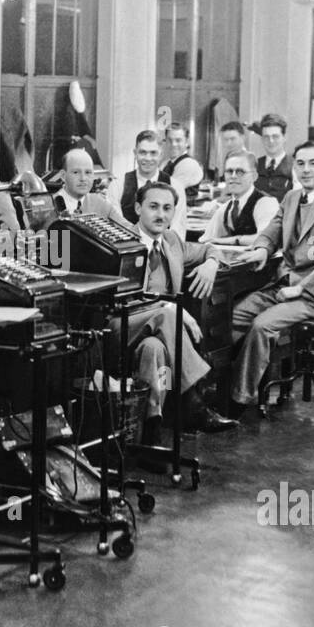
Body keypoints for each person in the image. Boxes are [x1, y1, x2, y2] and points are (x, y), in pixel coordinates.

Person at [227, 141, 314, 416]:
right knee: (232, 316)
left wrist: (301, 289)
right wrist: (262, 248)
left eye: (313, 163)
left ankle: (239, 399)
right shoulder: (291, 198)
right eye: (300, 163)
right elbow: (271, 231)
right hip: (283, 285)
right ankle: (219, 389)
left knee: (262, 326)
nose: (305, 170)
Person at [121, 182, 237, 451]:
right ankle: (194, 403)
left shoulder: (172, 241)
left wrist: (211, 264)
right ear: (138, 208)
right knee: (167, 314)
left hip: (156, 335)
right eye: (153, 207)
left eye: (167, 208)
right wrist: (173, 309)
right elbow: (124, 299)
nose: (160, 214)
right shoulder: (123, 241)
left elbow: (209, 249)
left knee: (154, 349)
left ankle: (151, 432)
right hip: (124, 325)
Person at [200, 151, 281, 259]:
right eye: (229, 171)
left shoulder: (266, 203)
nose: (233, 176)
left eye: (240, 172)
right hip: (236, 262)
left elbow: (265, 238)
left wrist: (231, 240)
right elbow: (206, 240)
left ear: (254, 176)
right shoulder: (225, 208)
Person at [110, 128, 186, 233]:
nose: (148, 158)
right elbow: (116, 227)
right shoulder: (117, 186)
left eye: (153, 153)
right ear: (135, 153)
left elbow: (177, 231)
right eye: (143, 152)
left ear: (161, 155)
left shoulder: (176, 187)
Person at [53, 147, 129, 223]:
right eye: (76, 172)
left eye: (88, 172)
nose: (83, 178)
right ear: (63, 176)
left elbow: (128, 228)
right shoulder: (50, 206)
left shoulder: (100, 202)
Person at [255, 114, 297, 202]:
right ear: (261, 139)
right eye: (266, 137)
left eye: (275, 136)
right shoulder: (254, 165)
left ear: (285, 137)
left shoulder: (295, 166)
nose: (271, 141)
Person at [163, 123, 204, 205]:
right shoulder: (166, 163)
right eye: (170, 140)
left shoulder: (188, 164)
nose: (173, 144)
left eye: (178, 140)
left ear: (186, 142)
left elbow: (168, 193)